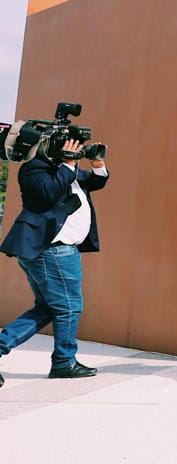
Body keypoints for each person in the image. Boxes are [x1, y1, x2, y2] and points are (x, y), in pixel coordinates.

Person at [0, 138, 109, 386]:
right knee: (69, 307)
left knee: (48, 308)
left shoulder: (65, 170)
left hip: (55, 252)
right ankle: (64, 362)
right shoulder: (34, 168)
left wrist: (97, 161)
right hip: (52, 251)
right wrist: (69, 162)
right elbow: (50, 191)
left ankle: (7, 345)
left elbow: (95, 181)